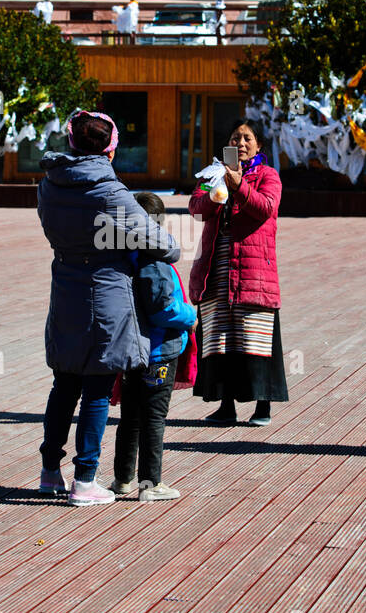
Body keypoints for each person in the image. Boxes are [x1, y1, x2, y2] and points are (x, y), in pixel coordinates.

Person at [36, 110, 180, 505]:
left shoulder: (49, 184)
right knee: (97, 387)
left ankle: (50, 472)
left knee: (64, 383)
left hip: (65, 287)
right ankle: (85, 480)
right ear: (111, 151)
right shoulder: (111, 192)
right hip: (106, 294)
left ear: (71, 143)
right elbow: (167, 245)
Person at [188, 121, 288, 426]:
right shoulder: (213, 173)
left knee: (255, 336)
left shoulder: (268, 176)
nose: (241, 143)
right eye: (236, 138)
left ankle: (263, 406)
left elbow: (266, 207)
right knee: (221, 337)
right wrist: (215, 196)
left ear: (259, 146)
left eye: (248, 138)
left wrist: (239, 186)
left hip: (254, 268)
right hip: (217, 267)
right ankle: (226, 406)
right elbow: (195, 207)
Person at [112, 192, 198, 502]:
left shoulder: (124, 258)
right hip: (159, 351)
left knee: (131, 417)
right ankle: (151, 483)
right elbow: (163, 309)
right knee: (153, 418)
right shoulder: (155, 264)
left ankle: (122, 479)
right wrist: (191, 316)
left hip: (132, 351)